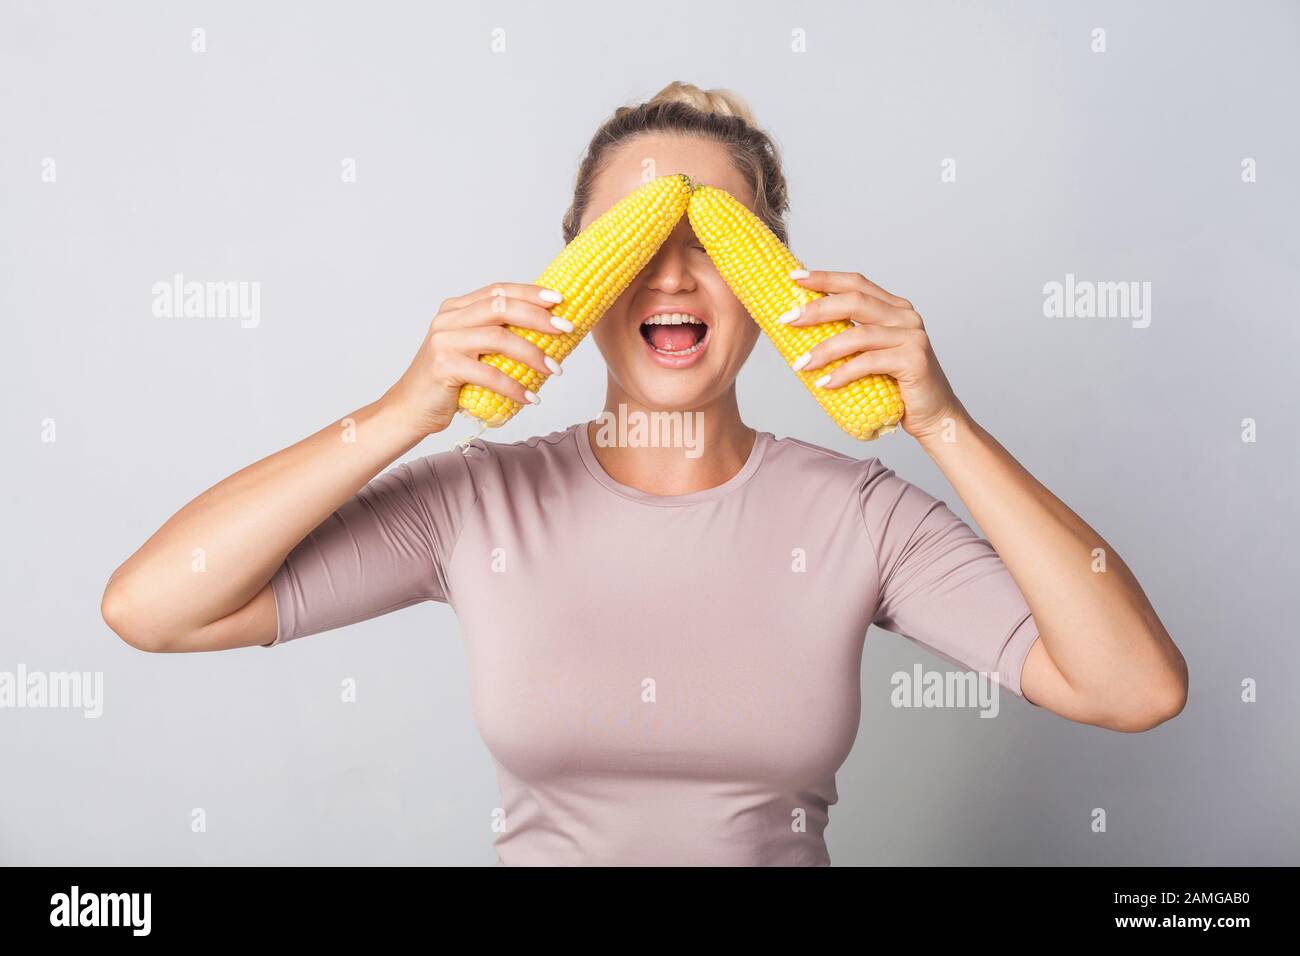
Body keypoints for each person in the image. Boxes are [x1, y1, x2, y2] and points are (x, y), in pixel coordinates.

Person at [100, 81, 1188, 866]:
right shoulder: (480, 500)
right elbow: (154, 607)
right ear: (574, 262)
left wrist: (942, 421)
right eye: (632, 233)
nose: (671, 270)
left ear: (778, 278)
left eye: (717, 236)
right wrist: (399, 414)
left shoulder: (856, 514)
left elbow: (1132, 686)